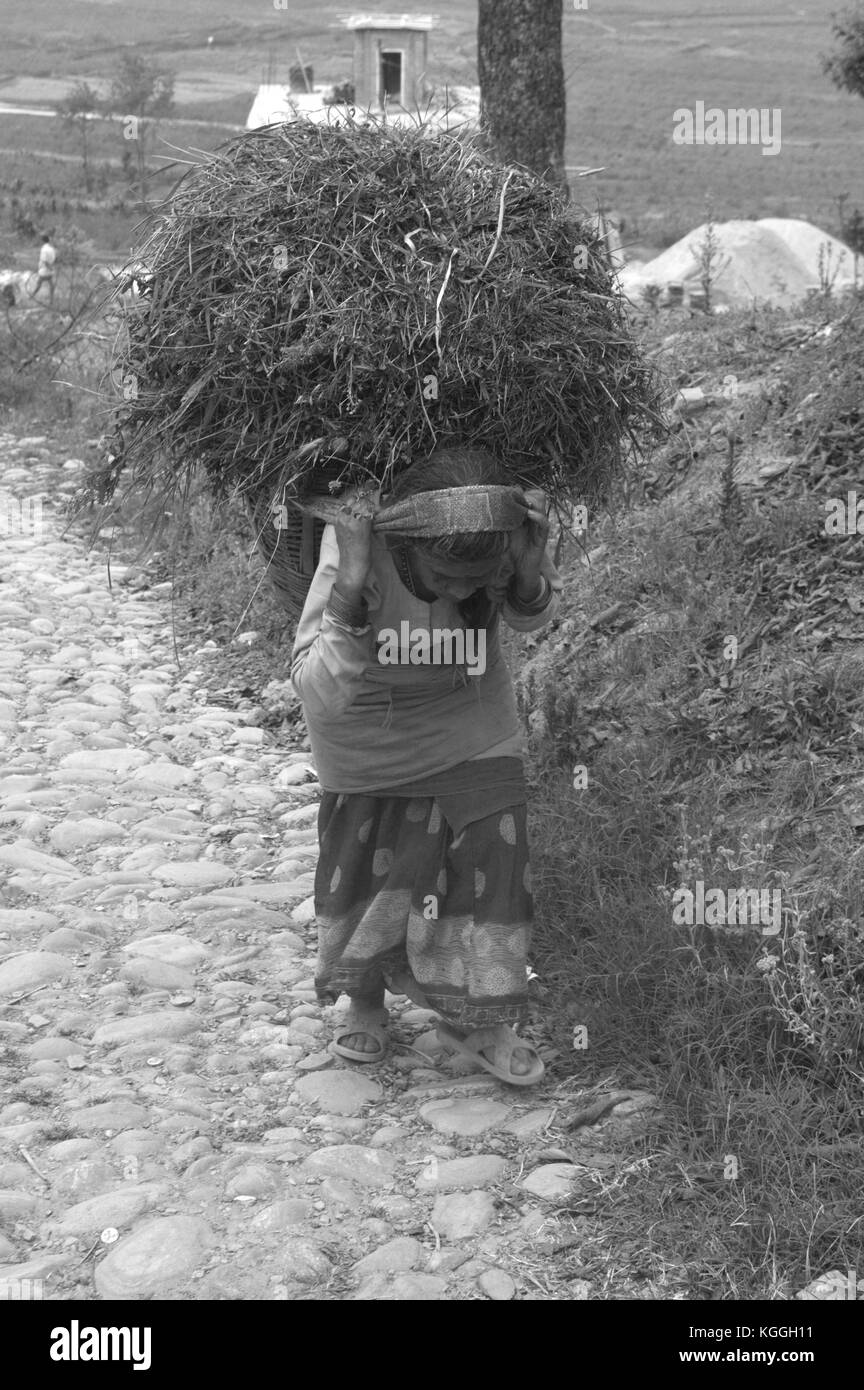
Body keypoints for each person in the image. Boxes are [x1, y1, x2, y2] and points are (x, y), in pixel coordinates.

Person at [290, 445, 563, 1085]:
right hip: (364, 731)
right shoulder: (358, 543)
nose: (463, 591)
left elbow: (533, 618)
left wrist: (524, 570)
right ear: (409, 547)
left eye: (477, 579)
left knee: (498, 849)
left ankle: (487, 1018)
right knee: (370, 857)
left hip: (469, 719)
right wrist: (353, 581)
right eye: (447, 576)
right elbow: (318, 692)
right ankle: (364, 998)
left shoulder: (497, 539)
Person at [33, 232, 56, 307]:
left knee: (38, 284)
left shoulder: (44, 249)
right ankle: (51, 301)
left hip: (44, 271)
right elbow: (54, 259)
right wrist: (52, 269)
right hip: (50, 271)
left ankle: (31, 296)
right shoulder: (52, 249)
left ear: (42, 241)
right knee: (51, 285)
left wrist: (50, 268)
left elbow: (44, 261)